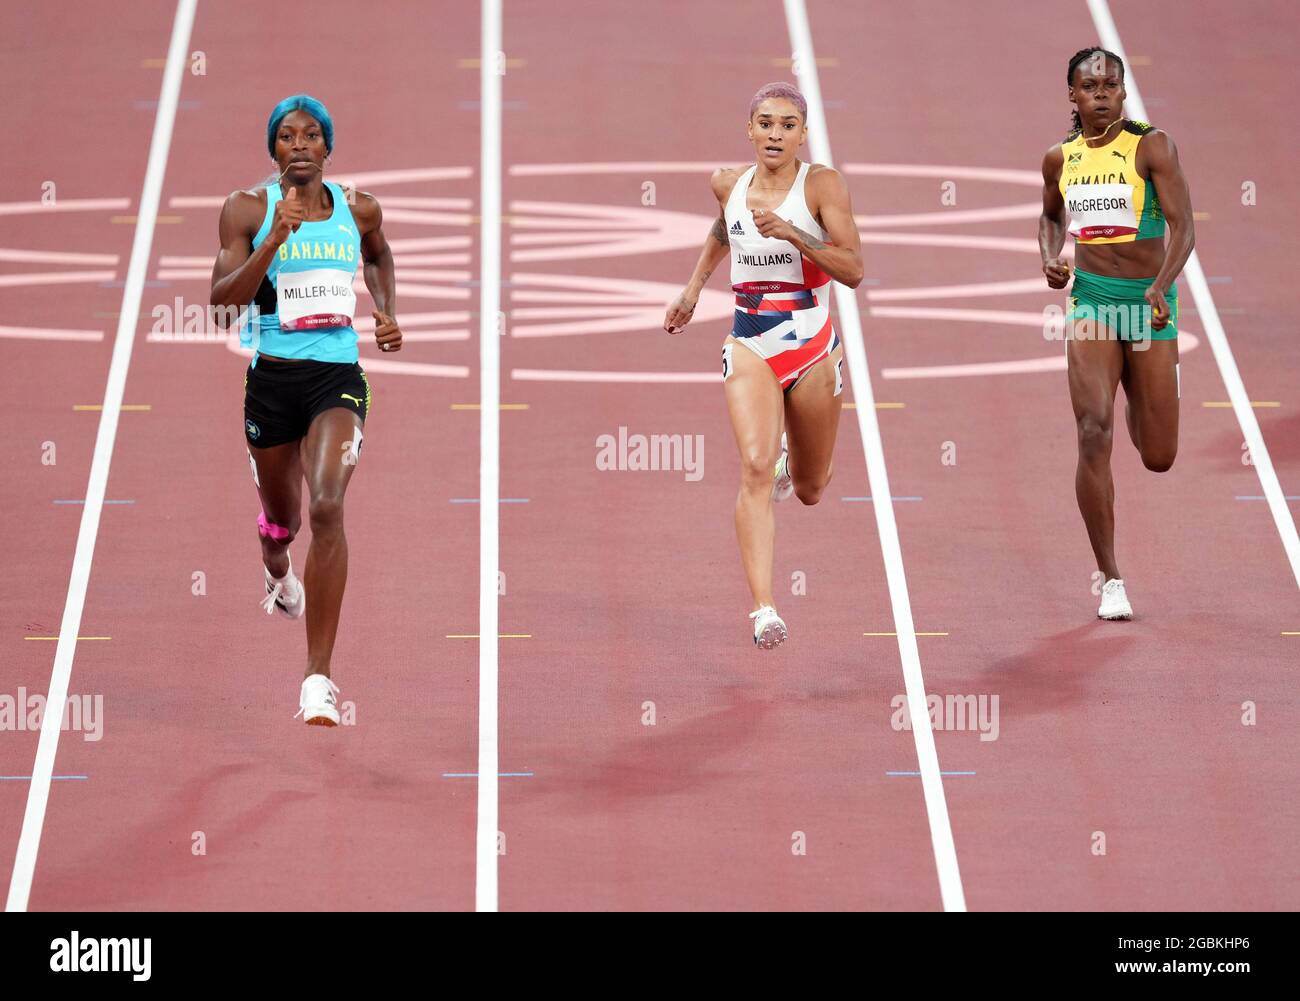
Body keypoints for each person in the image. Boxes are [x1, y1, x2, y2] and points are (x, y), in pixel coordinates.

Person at [210, 94, 403, 722]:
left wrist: (385, 310)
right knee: (284, 522)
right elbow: (220, 301)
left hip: (336, 380)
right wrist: (276, 239)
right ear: (273, 149)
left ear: (327, 148)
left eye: (311, 136)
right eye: (287, 136)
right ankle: (274, 561)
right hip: (271, 383)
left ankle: (317, 678)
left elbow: (377, 253)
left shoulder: (358, 208)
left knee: (327, 503)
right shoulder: (247, 209)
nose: (299, 144)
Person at [665, 82, 863, 649]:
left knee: (810, 487)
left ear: (803, 134)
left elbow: (853, 270)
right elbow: (725, 228)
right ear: (749, 130)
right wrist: (692, 289)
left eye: (787, 125)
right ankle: (764, 609)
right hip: (750, 340)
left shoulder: (822, 186)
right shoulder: (728, 183)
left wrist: (796, 233)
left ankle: (788, 470)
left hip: (812, 347)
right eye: (766, 123)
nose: (775, 134)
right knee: (752, 465)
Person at [1039, 49, 1195, 620]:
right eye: (1089, 86)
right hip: (1094, 304)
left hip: (1149, 307)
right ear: (1073, 97)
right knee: (1091, 429)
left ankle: (1139, 396)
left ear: (1123, 91)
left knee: (1158, 455)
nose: (1101, 94)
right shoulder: (1060, 158)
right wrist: (1051, 255)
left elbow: (1184, 224)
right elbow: (1051, 215)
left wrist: (1161, 285)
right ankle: (1110, 576)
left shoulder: (1153, 146)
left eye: (1110, 85)